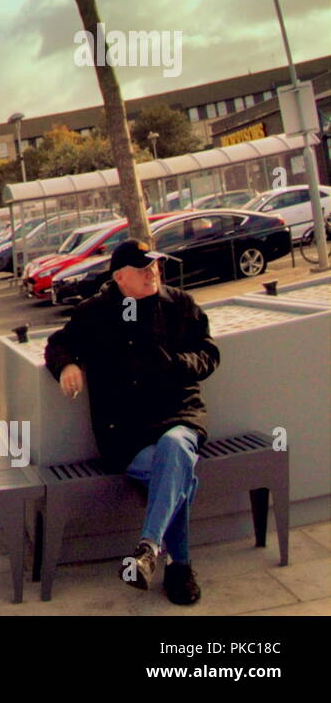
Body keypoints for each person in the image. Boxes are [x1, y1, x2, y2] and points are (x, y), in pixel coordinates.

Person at [43, 239, 219, 605]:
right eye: (143, 268)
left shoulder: (179, 304)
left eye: (155, 265)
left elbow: (209, 354)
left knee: (174, 447)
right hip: (125, 433)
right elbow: (57, 344)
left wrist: (177, 363)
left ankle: (149, 548)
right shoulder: (95, 312)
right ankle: (178, 567)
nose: (153, 271)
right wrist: (68, 365)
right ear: (120, 277)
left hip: (180, 414)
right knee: (176, 472)